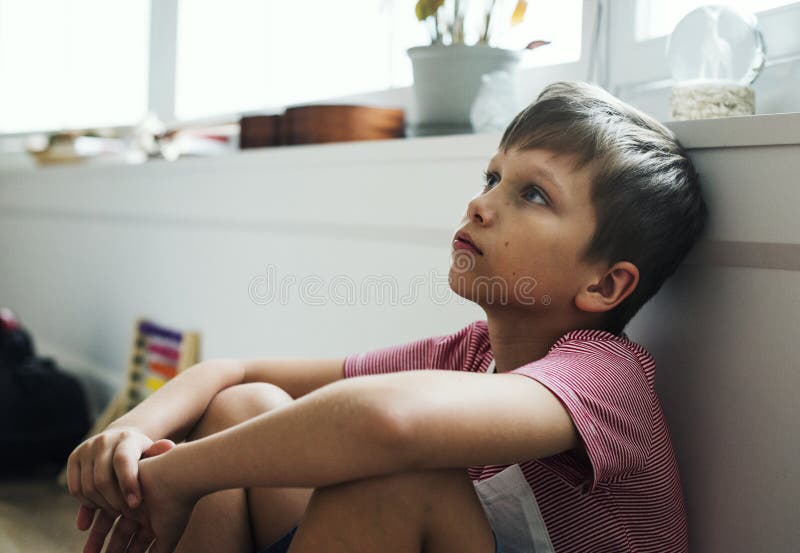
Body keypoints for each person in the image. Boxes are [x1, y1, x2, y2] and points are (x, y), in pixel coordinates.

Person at [67, 81, 708, 553]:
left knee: (401, 476)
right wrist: (132, 432)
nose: (480, 204)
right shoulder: (473, 353)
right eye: (491, 177)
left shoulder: (609, 376)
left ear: (604, 283)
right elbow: (232, 371)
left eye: (532, 194)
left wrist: (173, 475)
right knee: (245, 406)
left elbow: (387, 421)